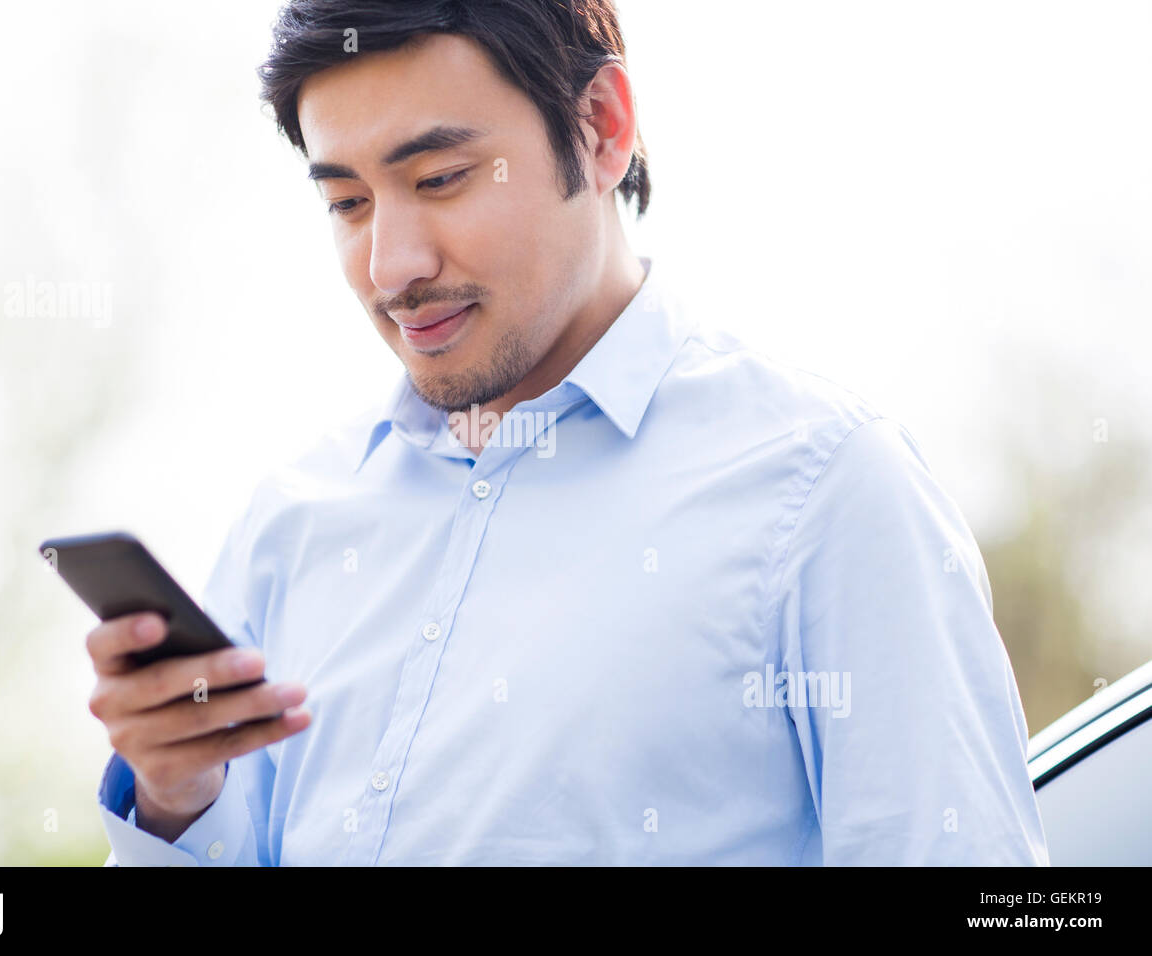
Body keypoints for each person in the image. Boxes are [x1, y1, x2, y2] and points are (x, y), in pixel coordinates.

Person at [87, 0, 1049, 865]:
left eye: (442, 177)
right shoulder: (291, 523)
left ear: (600, 127)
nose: (391, 264)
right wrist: (179, 799)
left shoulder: (828, 492)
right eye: (346, 203)